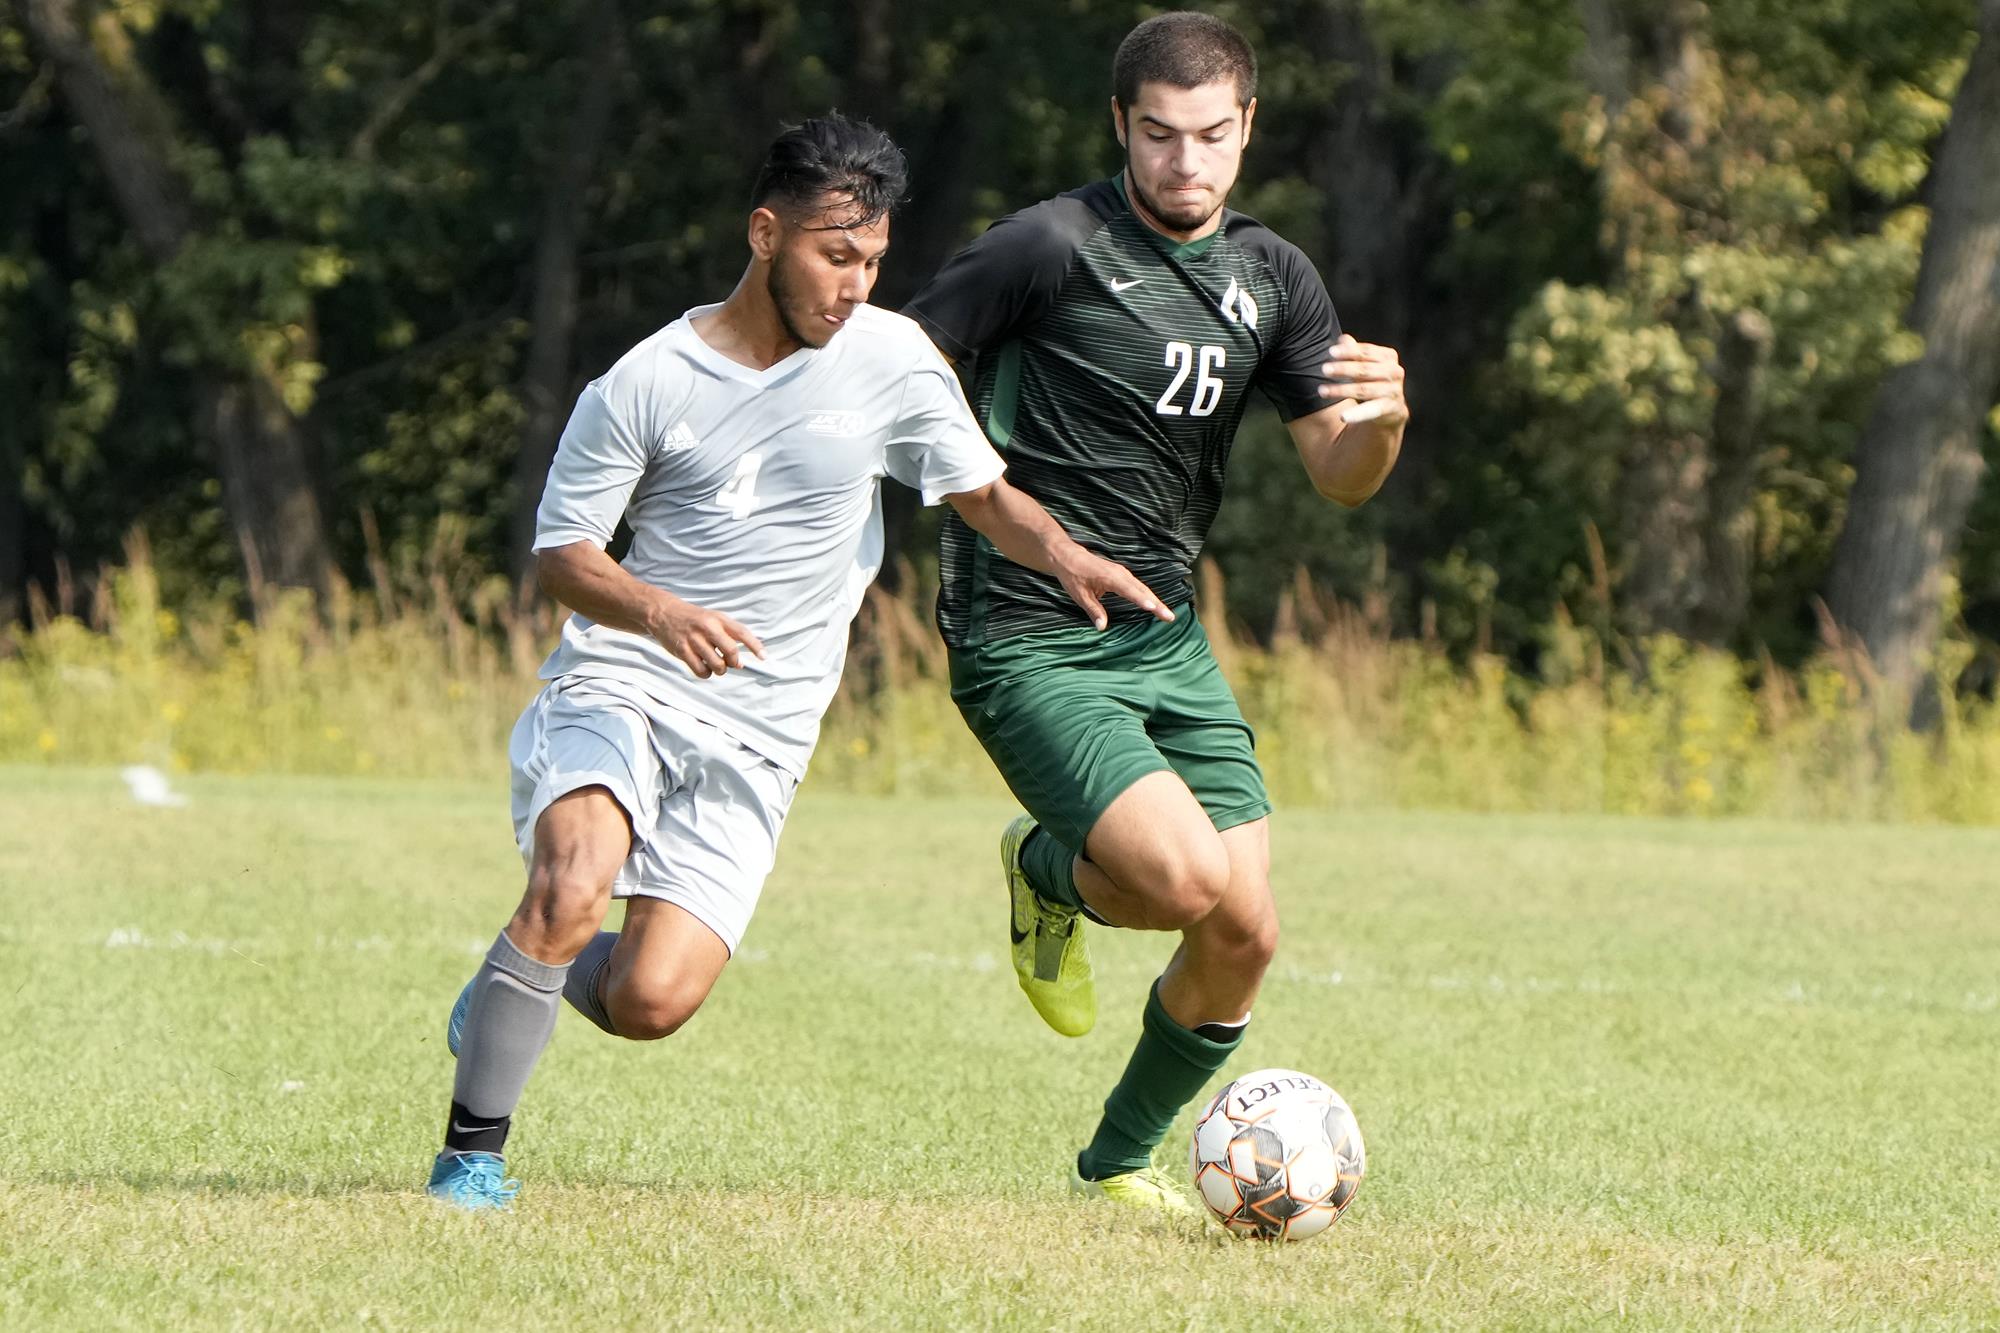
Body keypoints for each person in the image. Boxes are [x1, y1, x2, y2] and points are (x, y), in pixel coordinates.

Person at [426, 113, 1169, 1210]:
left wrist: (1065, 555)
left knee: (650, 1000)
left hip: (762, 733)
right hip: (624, 681)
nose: (854, 284)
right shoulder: (645, 382)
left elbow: (978, 492)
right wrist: (658, 612)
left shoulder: (892, 361)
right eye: (834, 256)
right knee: (574, 878)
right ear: (764, 234)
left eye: (872, 261)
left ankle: (514, 976)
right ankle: (470, 1159)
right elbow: (561, 556)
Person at [903, 11, 1410, 1211]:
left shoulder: (1273, 276)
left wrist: (1384, 420)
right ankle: (1048, 866)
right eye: (1159, 136)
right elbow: (894, 371)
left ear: (1247, 129)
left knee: (1245, 933)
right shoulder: (1045, 246)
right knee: (1182, 883)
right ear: (1120, 126)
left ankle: (1111, 1166)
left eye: (1211, 137)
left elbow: (1339, 477)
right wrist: (1009, 517)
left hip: (1166, 635)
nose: (1186, 163)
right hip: (1025, 632)